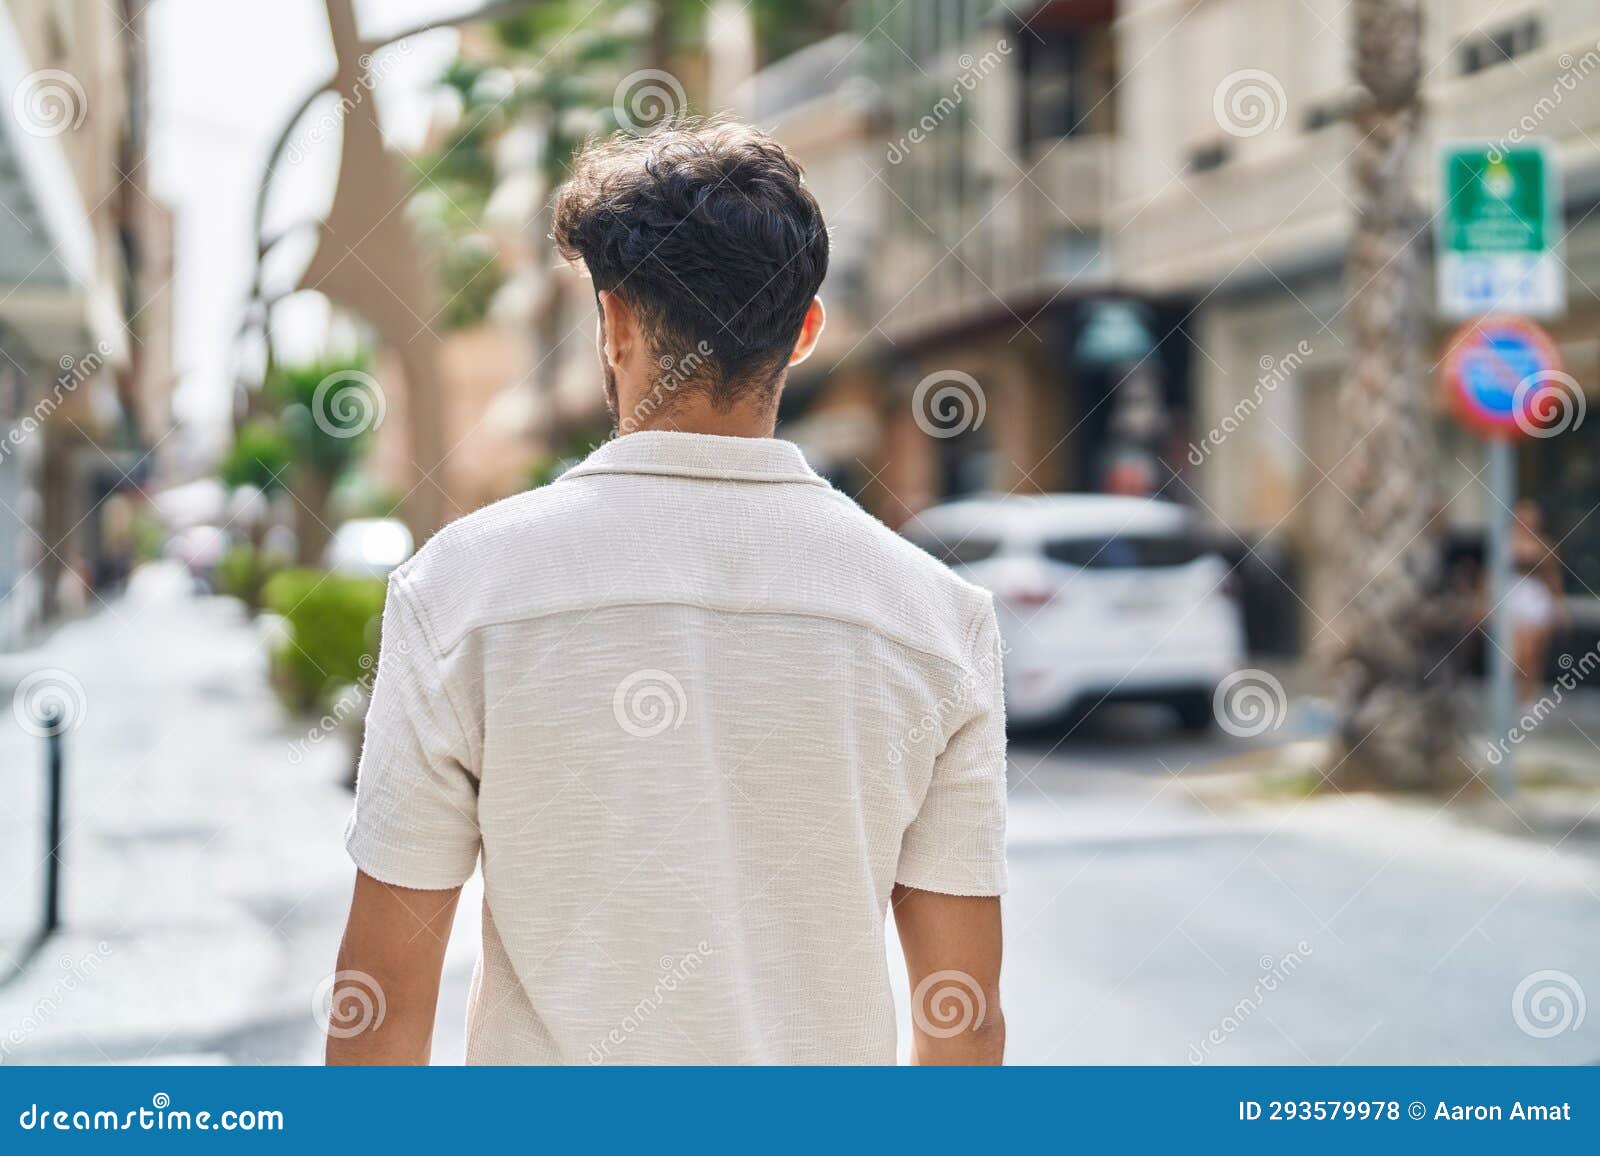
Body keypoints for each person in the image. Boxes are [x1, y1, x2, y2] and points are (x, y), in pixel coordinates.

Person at [326, 119, 1008, 1066]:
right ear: (805, 331)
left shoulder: (459, 589)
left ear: (613, 323)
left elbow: (382, 1008)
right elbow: (961, 1019)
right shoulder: (939, 619)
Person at [1507, 499, 1566, 706]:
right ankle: (1514, 696)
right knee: (1516, 653)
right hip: (1511, 599)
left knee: (1532, 652)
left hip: (1535, 601)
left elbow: (1553, 579)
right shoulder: (1504, 543)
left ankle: (1529, 697)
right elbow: (1488, 577)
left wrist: (1559, 608)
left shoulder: (1544, 545)